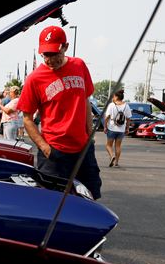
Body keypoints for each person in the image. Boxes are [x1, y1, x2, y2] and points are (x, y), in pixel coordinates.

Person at [18, 24, 102, 199]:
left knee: (90, 197)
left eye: (54, 53)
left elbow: (85, 100)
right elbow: (27, 118)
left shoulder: (79, 65)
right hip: (54, 152)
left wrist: (89, 136)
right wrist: (44, 147)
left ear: (65, 47)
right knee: (50, 202)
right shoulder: (34, 79)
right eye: (46, 54)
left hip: (82, 149)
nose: (50, 59)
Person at [103, 88, 131, 167]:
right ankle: (117, 162)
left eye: (113, 96)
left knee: (108, 145)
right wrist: (127, 128)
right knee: (118, 146)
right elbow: (128, 119)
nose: (112, 98)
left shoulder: (112, 105)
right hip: (121, 129)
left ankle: (112, 156)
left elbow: (107, 117)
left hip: (112, 128)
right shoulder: (126, 106)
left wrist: (105, 127)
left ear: (116, 97)